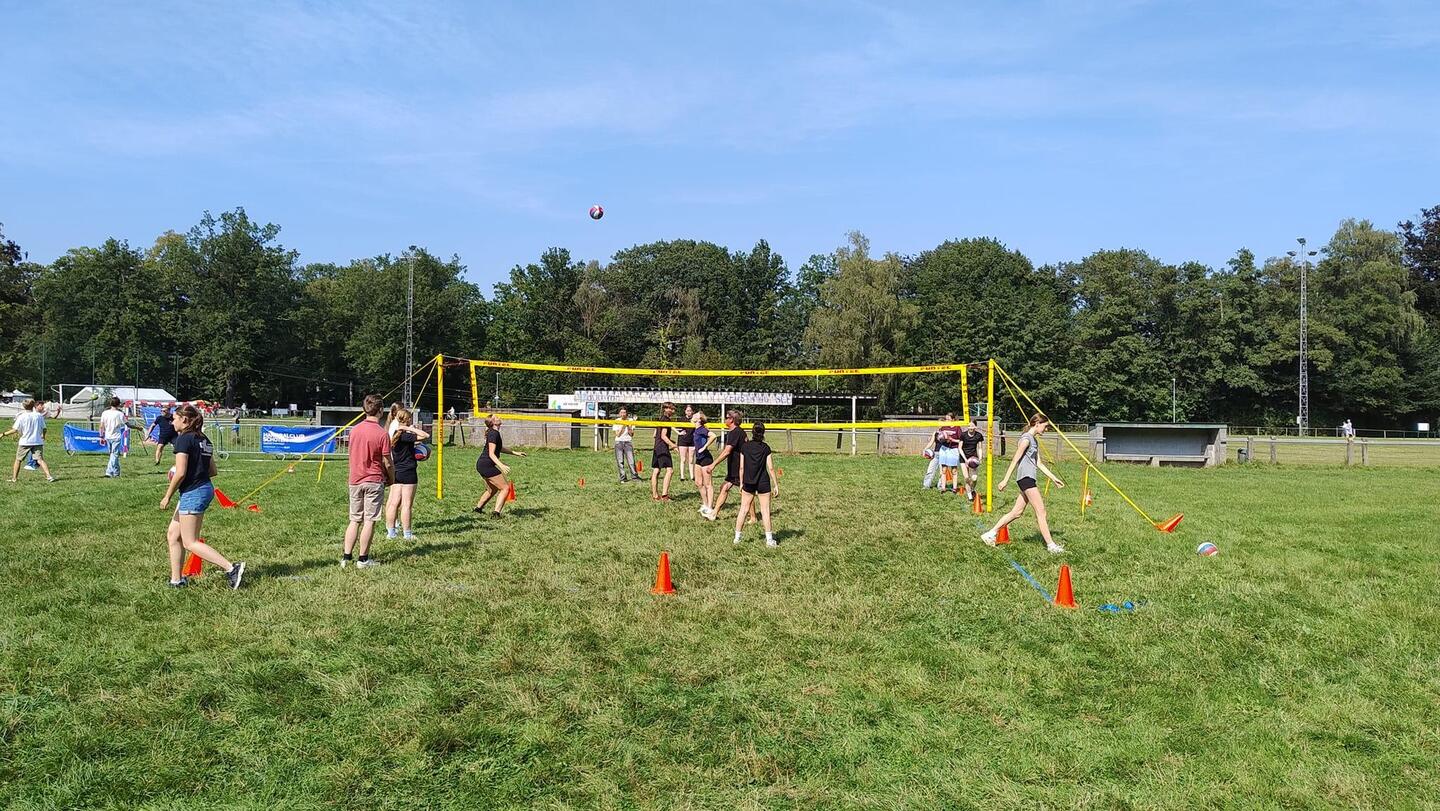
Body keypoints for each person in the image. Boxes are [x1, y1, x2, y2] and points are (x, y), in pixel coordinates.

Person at [160, 404, 245, 589]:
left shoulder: (183, 439)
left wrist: (167, 495)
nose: (172, 422)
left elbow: (180, 473)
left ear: (184, 420)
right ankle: (177, 580)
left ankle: (231, 568)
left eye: (174, 418)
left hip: (193, 492)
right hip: (204, 488)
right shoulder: (204, 439)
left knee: (190, 542)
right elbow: (212, 470)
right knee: (173, 535)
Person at [982, 414, 1066, 554]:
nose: (1046, 430)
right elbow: (1015, 460)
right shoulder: (1026, 439)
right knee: (1041, 511)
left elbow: (1038, 463)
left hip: (1028, 479)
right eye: (1045, 426)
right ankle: (1051, 546)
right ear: (1037, 423)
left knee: (1017, 512)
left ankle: (990, 534)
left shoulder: (1034, 440)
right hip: (1025, 479)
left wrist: (1053, 478)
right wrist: (1005, 480)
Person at [342, 394, 394, 568]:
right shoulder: (382, 434)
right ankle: (363, 559)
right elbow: (387, 461)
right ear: (380, 411)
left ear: (364, 409)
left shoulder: (354, 430)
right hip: (373, 479)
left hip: (355, 479)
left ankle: (346, 557)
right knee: (369, 520)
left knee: (354, 519)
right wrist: (391, 478)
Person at [385, 407, 430, 541]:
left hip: (396, 470)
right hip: (408, 472)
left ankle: (391, 533)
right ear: (408, 419)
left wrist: (403, 428)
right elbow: (425, 435)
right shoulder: (405, 435)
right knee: (406, 505)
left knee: (393, 503)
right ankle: (407, 534)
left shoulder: (395, 434)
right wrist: (409, 428)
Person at [704, 409, 756, 523]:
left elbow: (727, 451)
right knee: (725, 487)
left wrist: (713, 465)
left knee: (745, 492)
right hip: (735, 467)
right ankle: (714, 513)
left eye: (727, 417)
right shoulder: (735, 432)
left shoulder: (736, 432)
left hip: (741, 467)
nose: (725, 419)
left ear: (731, 420)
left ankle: (753, 517)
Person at [734, 421, 780, 547]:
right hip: (763, 482)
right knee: (765, 511)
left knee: (743, 510)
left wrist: (741, 483)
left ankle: (737, 538)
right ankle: (769, 540)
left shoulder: (745, 447)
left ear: (752, 432)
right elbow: (770, 468)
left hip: (748, 482)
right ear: (763, 433)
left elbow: (741, 468)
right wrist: (776, 484)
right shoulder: (765, 448)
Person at [474, 414, 525, 516]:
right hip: (486, 465)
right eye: (496, 417)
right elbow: (491, 454)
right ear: (492, 422)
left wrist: (515, 453)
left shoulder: (494, 433)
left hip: (482, 464)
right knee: (505, 488)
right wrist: (501, 465)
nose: (499, 417)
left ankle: (478, 509)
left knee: (492, 489)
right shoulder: (493, 434)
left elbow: (499, 448)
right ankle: (496, 513)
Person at [4, 399, 56, 483]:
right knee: (40, 460)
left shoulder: (22, 416)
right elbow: (44, 428)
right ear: (33, 406)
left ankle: (14, 479)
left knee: (18, 460)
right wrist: (43, 435)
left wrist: (3, 434)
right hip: (37, 441)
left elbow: (15, 430)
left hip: (25, 441)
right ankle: (49, 476)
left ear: (24, 406)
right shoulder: (39, 416)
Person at [650, 402, 678, 501]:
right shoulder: (666, 420)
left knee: (656, 470)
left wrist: (670, 441)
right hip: (662, 447)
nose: (673, 411)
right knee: (670, 470)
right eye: (671, 409)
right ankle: (665, 496)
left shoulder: (660, 419)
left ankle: (655, 495)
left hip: (656, 446)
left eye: (674, 409)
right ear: (665, 409)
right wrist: (673, 445)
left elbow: (655, 435)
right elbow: (663, 436)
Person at [691, 412, 716, 518]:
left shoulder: (702, 429)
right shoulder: (696, 430)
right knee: (698, 483)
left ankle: (710, 507)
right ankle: (705, 504)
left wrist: (705, 446)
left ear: (699, 419)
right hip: (699, 459)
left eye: (695, 415)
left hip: (706, 459)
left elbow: (713, 436)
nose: (693, 415)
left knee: (708, 484)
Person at [100, 397, 130, 478]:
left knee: (114, 455)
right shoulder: (120, 414)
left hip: (111, 437)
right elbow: (128, 424)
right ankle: (116, 473)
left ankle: (109, 472)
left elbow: (101, 426)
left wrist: (101, 435)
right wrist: (137, 427)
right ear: (118, 404)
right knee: (113, 455)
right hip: (113, 436)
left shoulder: (104, 413)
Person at [959, 418, 986, 500]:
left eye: (972, 426)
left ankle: (972, 489)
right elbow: (959, 448)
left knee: (974, 478)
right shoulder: (963, 435)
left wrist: (980, 458)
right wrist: (965, 460)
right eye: (969, 426)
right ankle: (969, 495)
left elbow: (980, 448)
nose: (970, 427)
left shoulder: (978, 435)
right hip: (964, 458)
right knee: (967, 478)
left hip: (974, 458)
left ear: (975, 426)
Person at [935, 412, 962, 493]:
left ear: (953, 419)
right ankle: (943, 488)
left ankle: (954, 488)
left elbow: (961, 440)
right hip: (944, 449)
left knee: (954, 470)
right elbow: (939, 437)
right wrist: (942, 438)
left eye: (948, 419)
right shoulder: (943, 427)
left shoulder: (957, 428)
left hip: (953, 449)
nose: (946, 420)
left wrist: (952, 439)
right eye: (946, 419)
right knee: (944, 469)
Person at [613, 406, 638, 483]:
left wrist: (628, 426)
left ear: (626, 413)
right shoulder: (616, 421)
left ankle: (634, 477)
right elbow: (618, 434)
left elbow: (631, 434)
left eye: (624, 412)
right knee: (620, 461)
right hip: (619, 442)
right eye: (621, 412)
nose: (623, 414)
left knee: (631, 461)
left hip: (628, 442)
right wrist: (623, 425)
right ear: (619, 413)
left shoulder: (630, 420)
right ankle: (623, 478)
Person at [921, 424, 943, 490]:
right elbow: (931, 442)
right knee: (930, 470)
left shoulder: (947, 433)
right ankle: (926, 485)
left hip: (944, 455)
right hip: (936, 454)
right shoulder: (935, 433)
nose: (940, 425)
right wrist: (925, 449)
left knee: (942, 472)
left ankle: (940, 486)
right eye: (939, 424)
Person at [676, 404, 695, 482]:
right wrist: (679, 433)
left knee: (691, 460)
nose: (689, 412)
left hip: (692, 441)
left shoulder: (694, 419)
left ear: (693, 412)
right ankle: (682, 476)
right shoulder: (681, 419)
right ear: (685, 411)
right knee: (683, 459)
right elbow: (672, 426)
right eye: (687, 411)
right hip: (682, 441)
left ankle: (692, 476)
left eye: (690, 411)